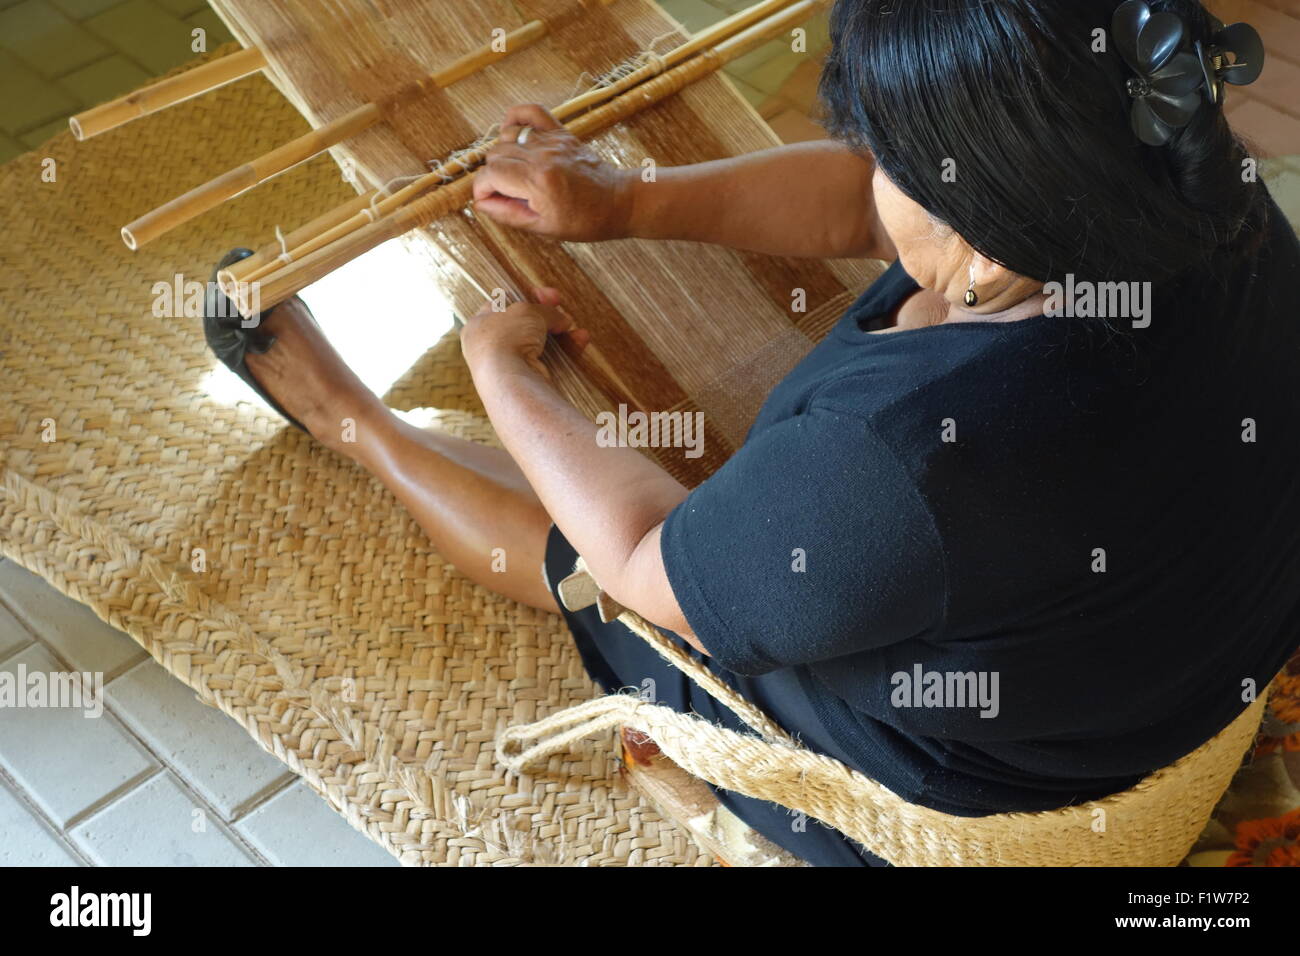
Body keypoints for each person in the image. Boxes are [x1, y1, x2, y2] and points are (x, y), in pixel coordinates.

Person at [204, 0, 1299, 865]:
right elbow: (876, 208)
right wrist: (621, 201)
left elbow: (636, 551)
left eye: (892, 155)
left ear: (983, 237)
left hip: (1007, 770)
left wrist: (495, 367)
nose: (873, 174)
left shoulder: (900, 467)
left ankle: (347, 418)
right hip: (1175, 648)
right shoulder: (1197, 193)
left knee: (583, 565)